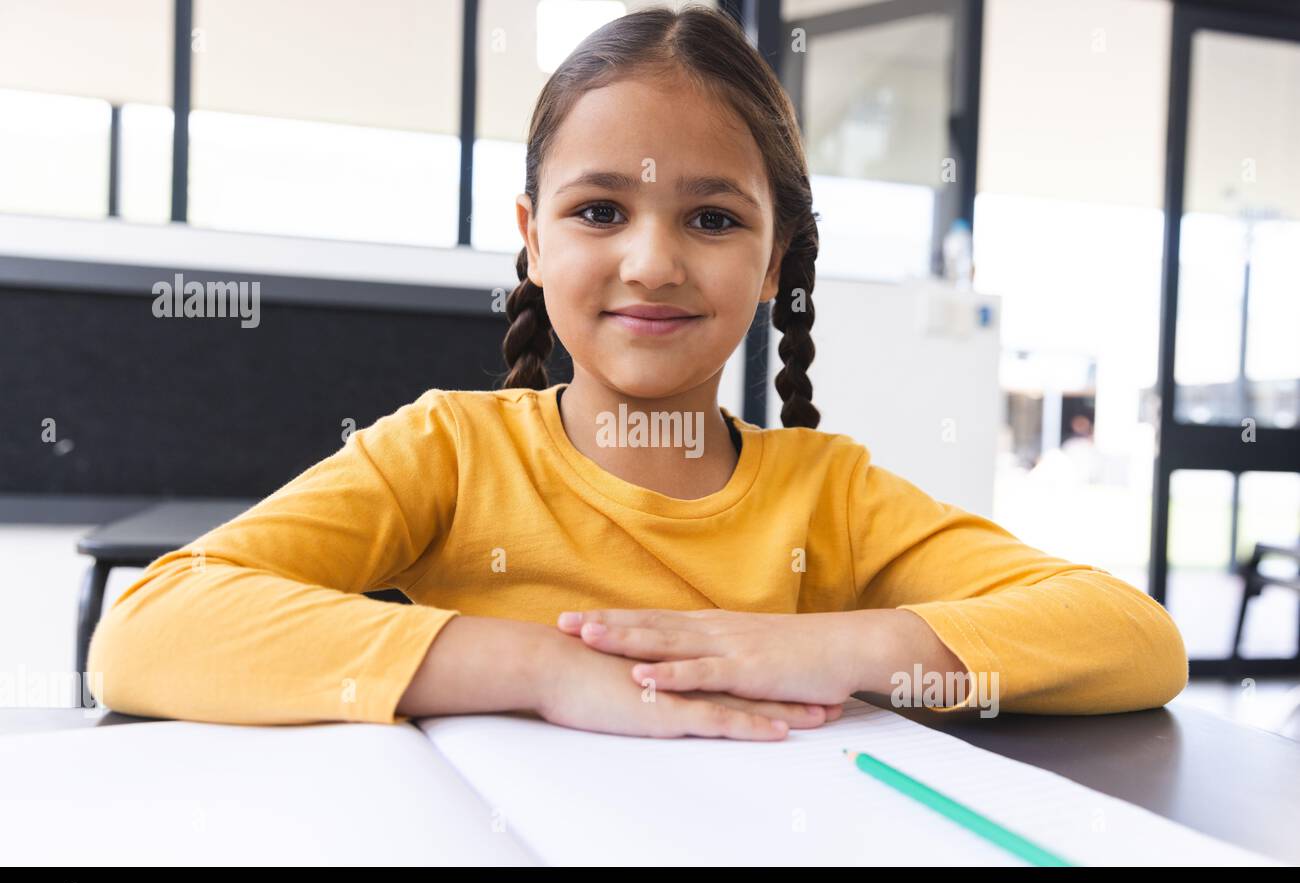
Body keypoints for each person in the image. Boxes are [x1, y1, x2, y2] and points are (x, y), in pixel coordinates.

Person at [88, 6, 1188, 737]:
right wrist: (544, 672)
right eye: (599, 209)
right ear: (531, 236)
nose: (651, 261)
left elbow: (1132, 638)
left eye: (712, 217)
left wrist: (822, 649)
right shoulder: (446, 453)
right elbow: (147, 631)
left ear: (774, 263)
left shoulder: (830, 495)